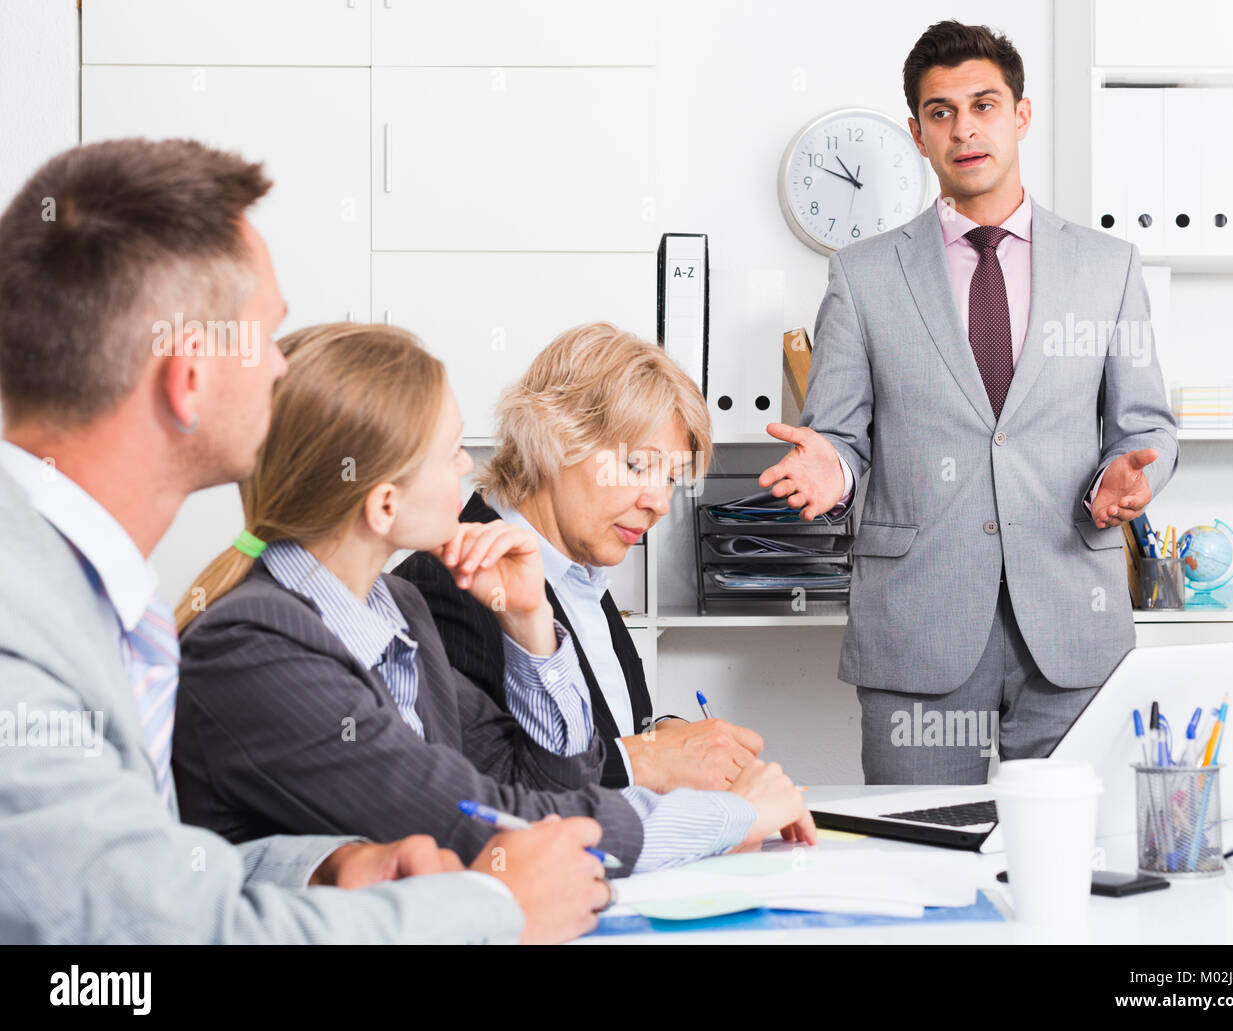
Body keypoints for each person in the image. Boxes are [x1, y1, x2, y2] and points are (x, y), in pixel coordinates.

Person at [0, 137, 611, 944]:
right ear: (189, 380)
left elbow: (112, 889)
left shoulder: (75, 587)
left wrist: (316, 868)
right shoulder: (21, 629)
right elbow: (126, 957)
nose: (285, 375)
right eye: (266, 340)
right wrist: (494, 911)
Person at [173, 321, 815, 873]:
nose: (465, 468)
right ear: (383, 499)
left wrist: (532, 623)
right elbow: (482, 826)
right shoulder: (253, 644)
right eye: (448, 450)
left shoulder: (399, 611)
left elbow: (549, 783)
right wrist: (732, 816)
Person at [758, 20, 1178, 783]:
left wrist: (1128, 473)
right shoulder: (863, 276)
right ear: (918, 136)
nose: (965, 128)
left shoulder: (1108, 268)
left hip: (1071, 620)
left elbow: (1144, 423)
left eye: (984, 104)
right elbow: (839, 438)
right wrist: (836, 474)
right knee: (918, 866)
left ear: (1020, 115)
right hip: (918, 623)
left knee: (1075, 865)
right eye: (941, 112)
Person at [396, 323, 764, 793]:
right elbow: (477, 782)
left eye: (671, 477)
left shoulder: (582, 570)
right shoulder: (450, 580)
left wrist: (667, 734)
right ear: (552, 440)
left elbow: (605, 736)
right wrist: (650, 756)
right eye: (637, 466)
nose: (661, 502)